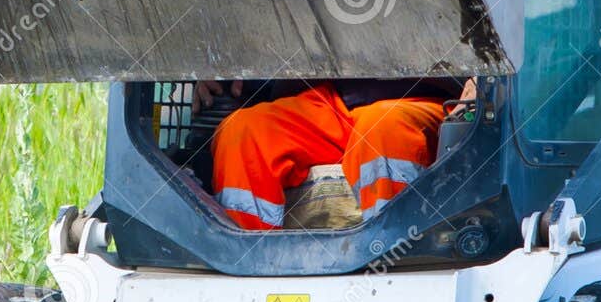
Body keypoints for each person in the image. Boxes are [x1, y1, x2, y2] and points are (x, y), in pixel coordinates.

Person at [201, 77, 476, 231]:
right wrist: (212, 70)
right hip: (322, 99)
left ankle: (389, 258)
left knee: (383, 128)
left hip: (417, 98)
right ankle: (249, 265)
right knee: (243, 132)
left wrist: (481, 79)